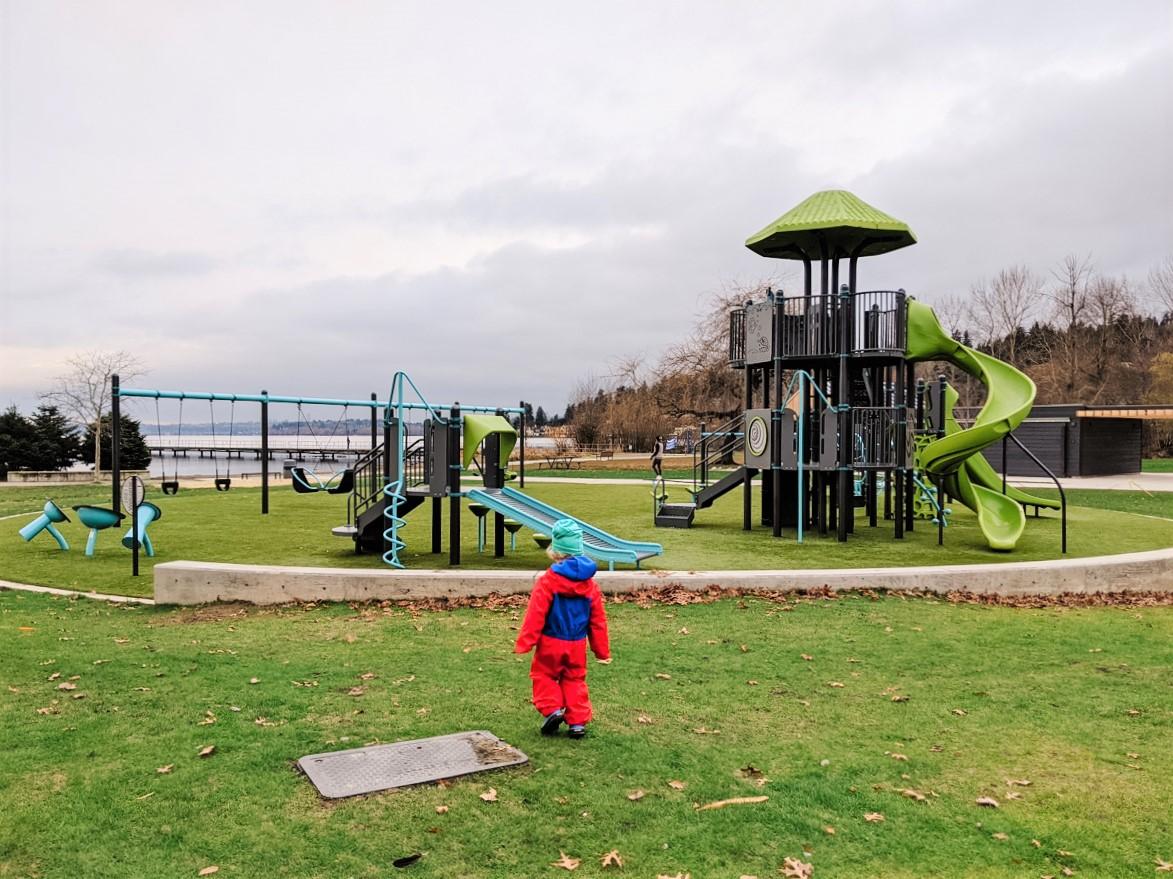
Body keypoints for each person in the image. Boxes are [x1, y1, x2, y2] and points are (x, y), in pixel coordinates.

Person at [514, 518, 611, 738]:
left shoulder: (548, 581)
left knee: (544, 675)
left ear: (556, 551)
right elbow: (597, 621)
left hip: (551, 640)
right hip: (577, 644)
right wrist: (601, 651)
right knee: (574, 679)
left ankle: (552, 710)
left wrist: (525, 642)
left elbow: (536, 614)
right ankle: (577, 723)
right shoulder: (590, 585)